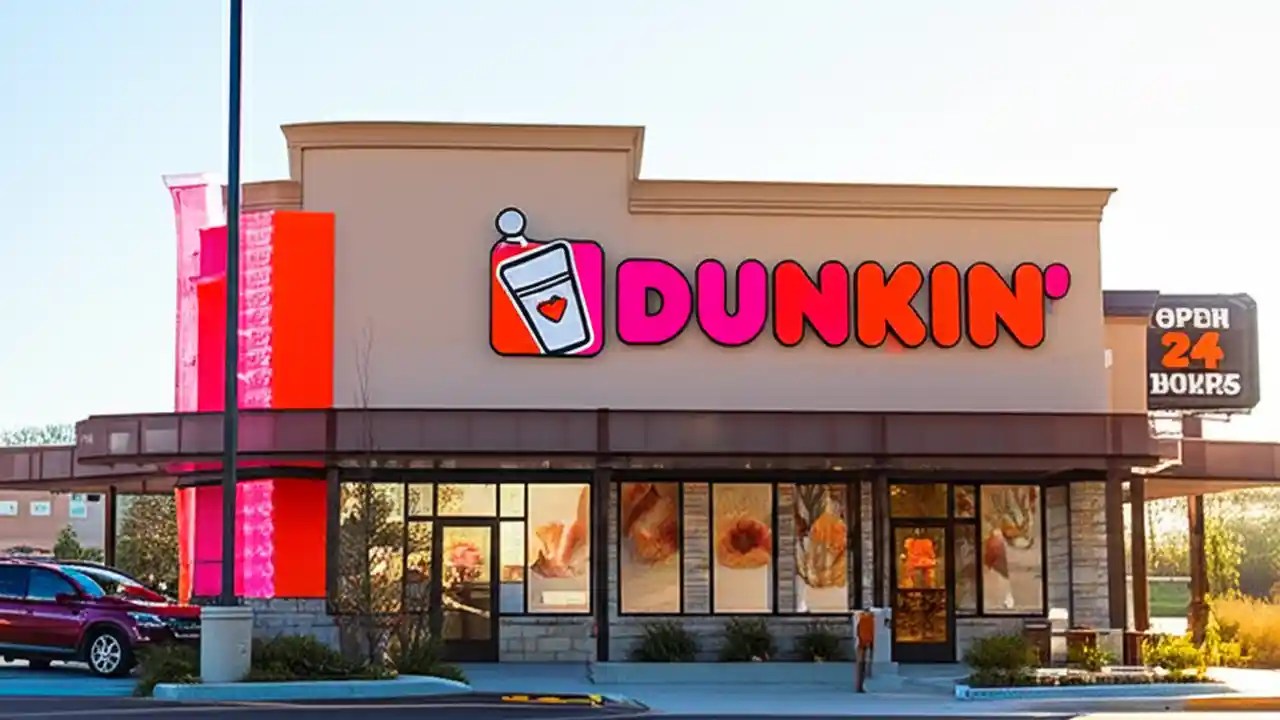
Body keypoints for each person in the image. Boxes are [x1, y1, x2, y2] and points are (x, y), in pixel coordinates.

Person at [855, 609, 875, 693]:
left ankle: (860, 686)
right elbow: (869, 633)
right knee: (864, 666)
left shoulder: (861, 619)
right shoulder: (869, 620)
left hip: (862, 644)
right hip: (865, 644)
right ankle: (861, 686)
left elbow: (858, 631)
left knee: (861, 666)